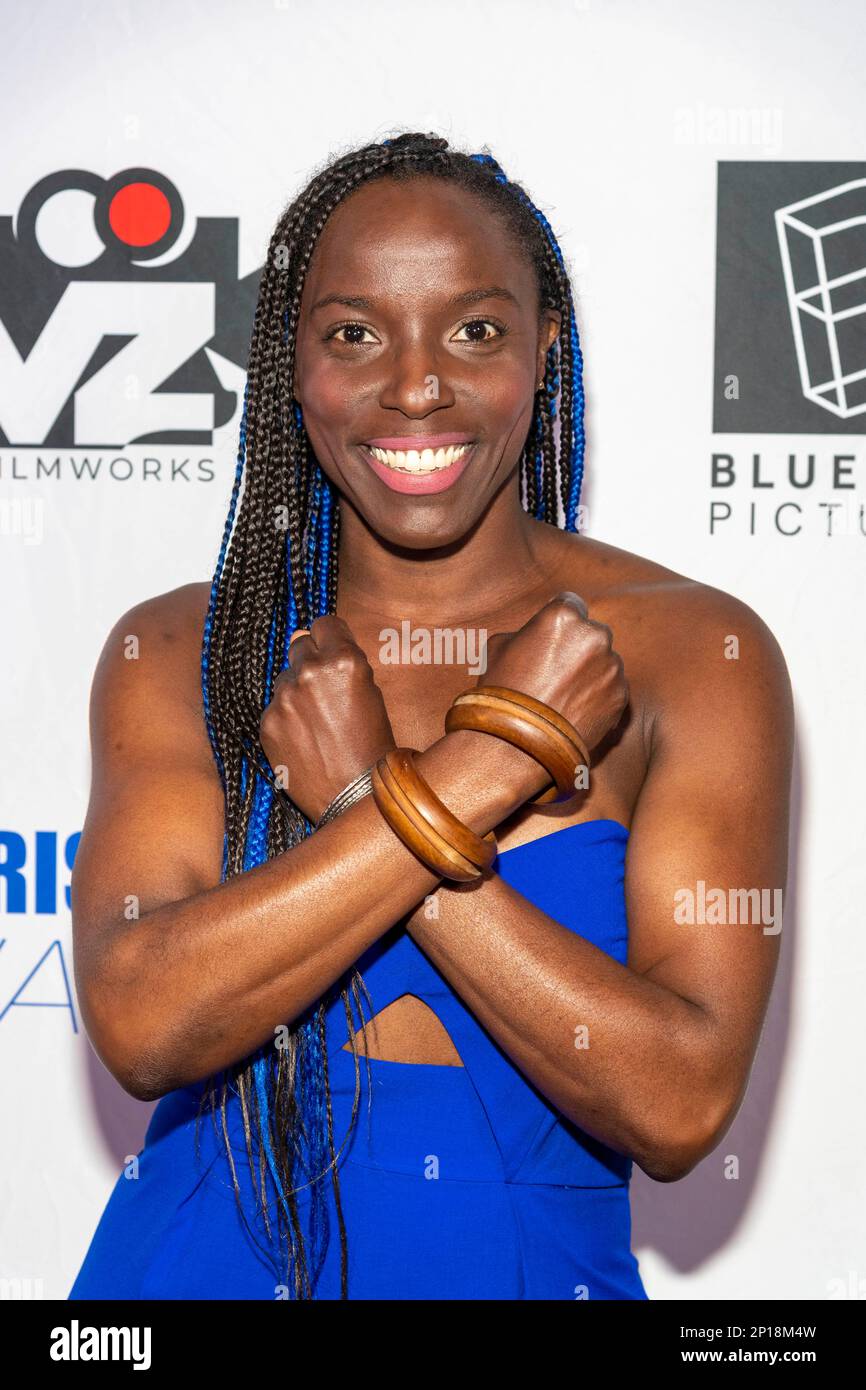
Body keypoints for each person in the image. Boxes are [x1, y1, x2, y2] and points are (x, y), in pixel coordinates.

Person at [68, 132, 793, 1301]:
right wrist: (487, 763)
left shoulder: (691, 654)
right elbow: (146, 1023)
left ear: (542, 351)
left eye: (474, 330)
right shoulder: (181, 647)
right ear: (289, 365)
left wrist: (365, 795)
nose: (414, 385)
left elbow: (679, 1101)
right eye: (353, 333)